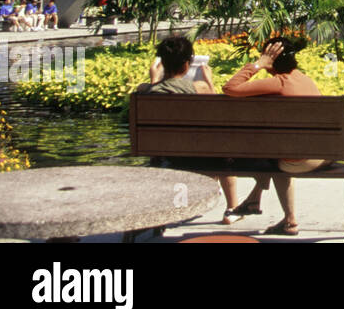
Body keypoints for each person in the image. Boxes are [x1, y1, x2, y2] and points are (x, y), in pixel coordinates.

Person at [221, 37, 327, 236]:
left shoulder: (279, 83)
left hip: (302, 160)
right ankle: (253, 200)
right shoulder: (303, 79)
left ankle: (289, 219)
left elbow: (230, 88)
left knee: (278, 159)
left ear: (271, 60)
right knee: (276, 151)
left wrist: (258, 65)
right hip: (326, 153)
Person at [135, 36, 243, 222]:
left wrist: (154, 82)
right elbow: (219, 112)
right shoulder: (199, 87)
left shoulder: (144, 90)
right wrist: (209, 82)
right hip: (198, 155)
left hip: (164, 156)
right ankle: (232, 209)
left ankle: (188, 200)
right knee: (223, 148)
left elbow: (155, 91)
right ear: (187, 65)